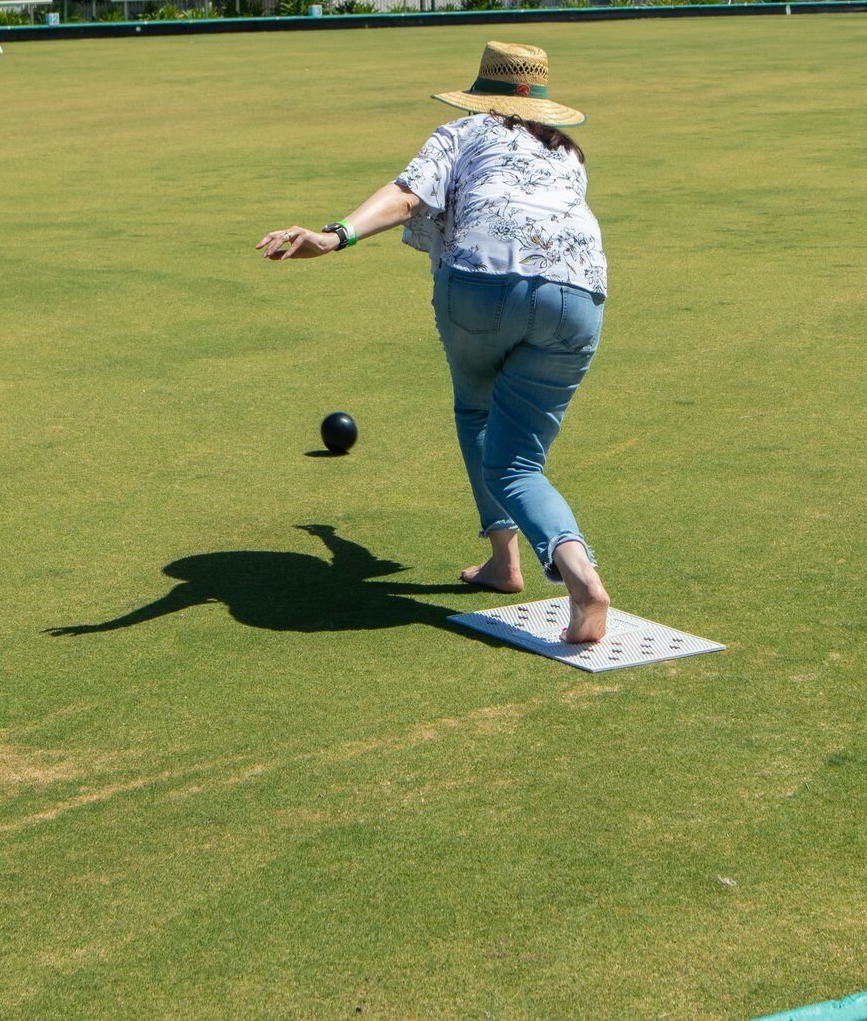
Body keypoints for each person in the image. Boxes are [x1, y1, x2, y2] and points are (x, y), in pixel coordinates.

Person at [256, 40, 611, 644]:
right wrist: (333, 542)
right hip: (578, 299)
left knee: (485, 426)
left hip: (480, 288)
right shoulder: (568, 154)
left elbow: (406, 198)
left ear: (482, 92)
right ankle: (504, 564)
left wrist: (334, 235)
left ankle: (578, 578)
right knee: (519, 452)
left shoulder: (463, 132)